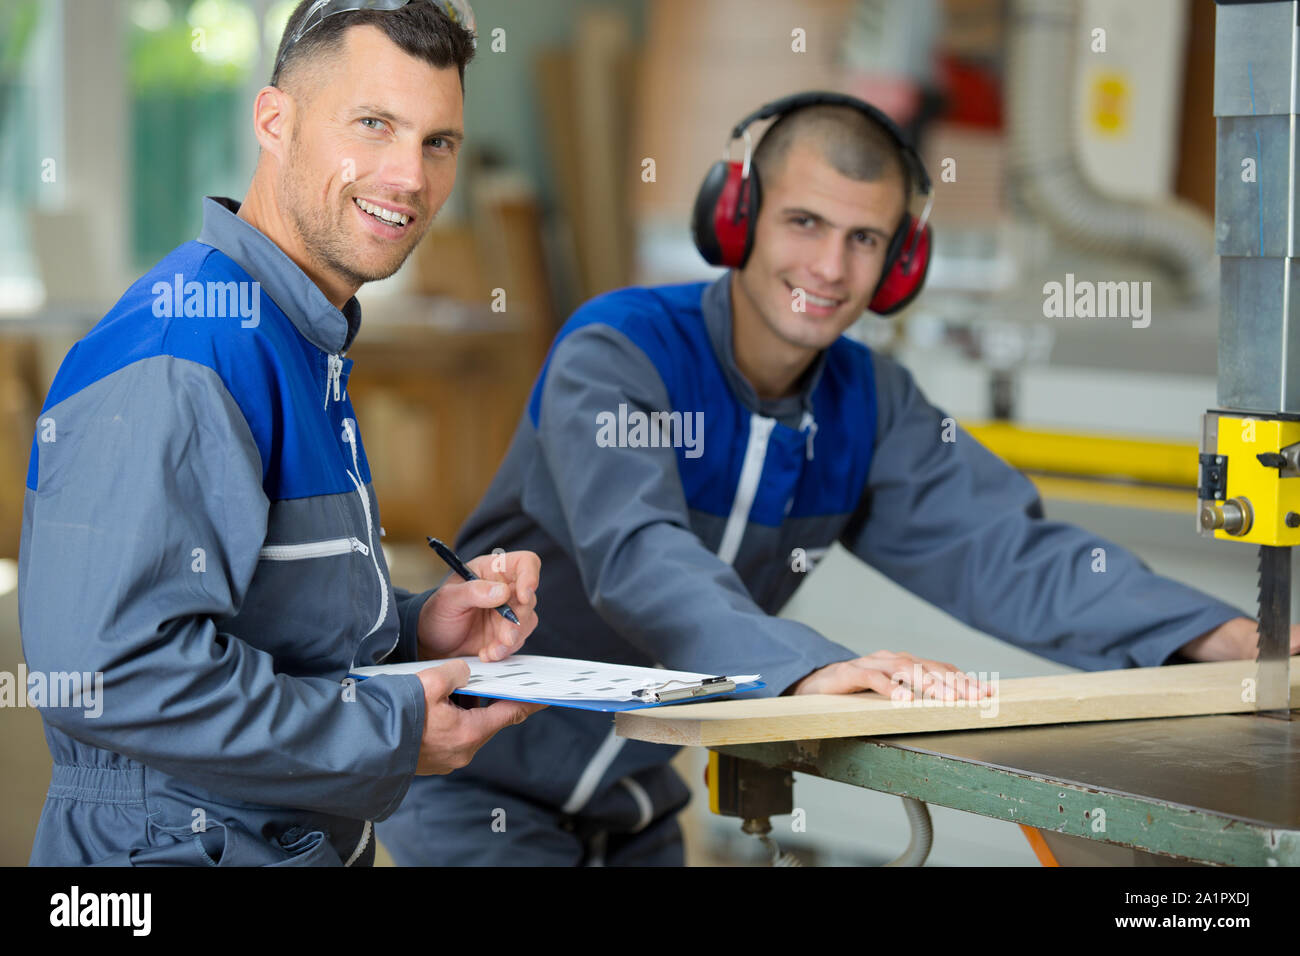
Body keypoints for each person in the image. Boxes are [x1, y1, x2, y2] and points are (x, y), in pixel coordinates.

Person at [377, 92, 1299, 867]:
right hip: (476, 797)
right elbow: (640, 556)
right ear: (735, 220)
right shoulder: (617, 353)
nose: (828, 268)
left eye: (866, 239)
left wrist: (1216, 633)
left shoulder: (872, 403)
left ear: (903, 262)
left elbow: (1007, 552)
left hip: (635, 816)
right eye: (804, 222)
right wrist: (807, 669)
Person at [19, 0, 543, 867]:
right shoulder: (183, 347)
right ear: (274, 119)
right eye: (373, 125)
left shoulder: (296, 336)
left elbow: (264, 623)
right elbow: (111, 676)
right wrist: (391, 729)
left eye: (437, 142)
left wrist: (416, 632)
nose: (409, 176)